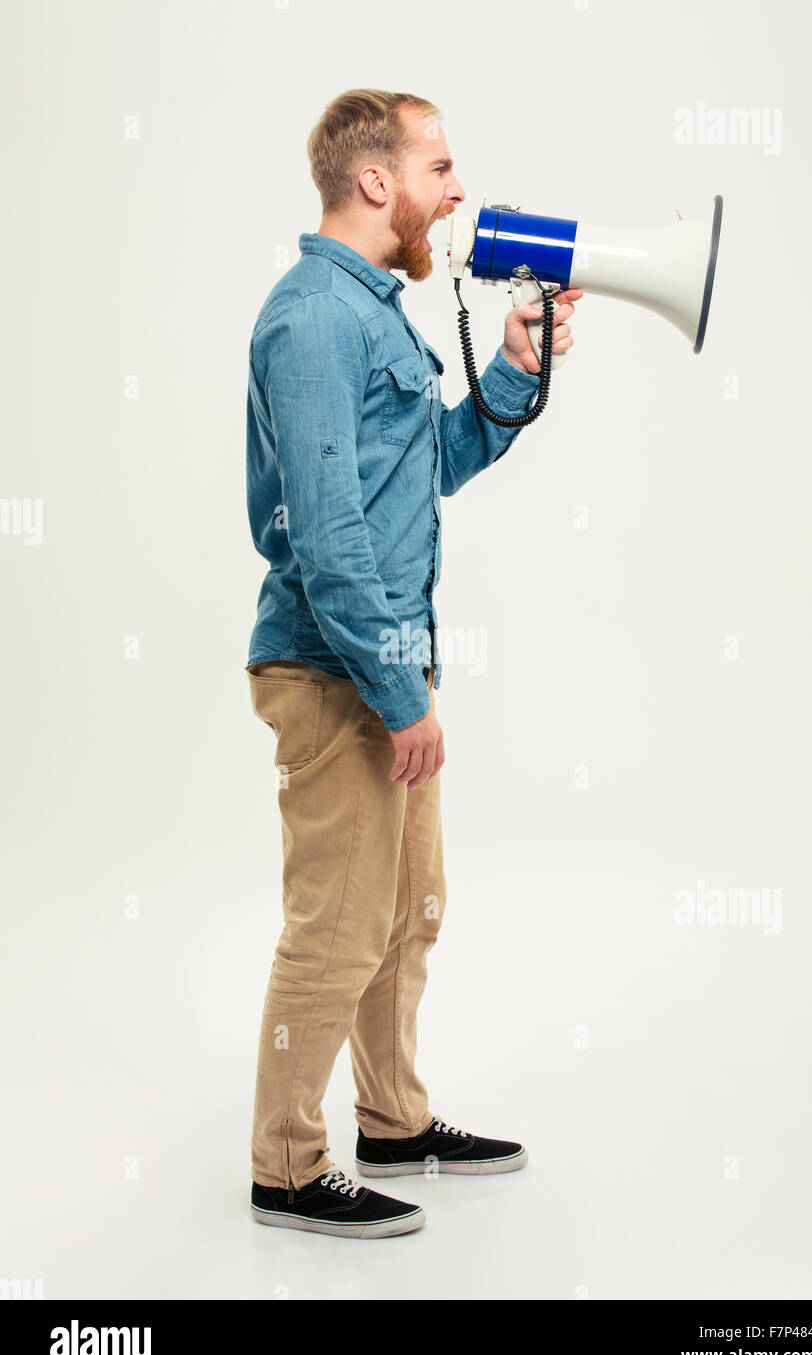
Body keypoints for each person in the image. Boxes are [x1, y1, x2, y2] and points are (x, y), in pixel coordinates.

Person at [244, 88, 581, 1239]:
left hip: (387, 663)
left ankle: (391, 1118)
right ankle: (285, 1165)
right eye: (441, 166)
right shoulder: (309, 323)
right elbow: (329, 537)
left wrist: (516, 370)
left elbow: (423, 463)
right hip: (338, 670)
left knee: (404, 910)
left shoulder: (376, 311)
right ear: (375, 181)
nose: (457, 189)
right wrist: (398, 697)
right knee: (337, 925)